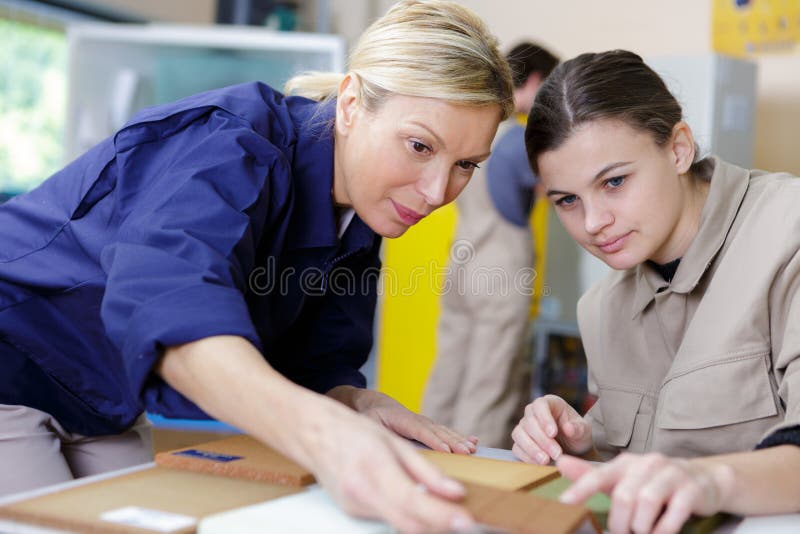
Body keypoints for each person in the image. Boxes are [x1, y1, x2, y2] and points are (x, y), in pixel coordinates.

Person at [0, 1, 514, 531]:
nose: (437, 192)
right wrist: (325, 435)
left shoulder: (362, 218)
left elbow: (314, 365)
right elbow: (169, 304)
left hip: (97, 400)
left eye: (465, 165)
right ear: (351, 103)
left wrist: (356, 404)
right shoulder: (231, 144)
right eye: (419, 146)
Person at [513, 49, 800, 533]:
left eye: (614, 181)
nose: (593, 222)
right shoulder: (601, 309)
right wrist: (581, 444)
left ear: (679, 149)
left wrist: (708, 480)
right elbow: (633, 465)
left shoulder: (788, 230)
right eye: (567, 200)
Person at [423, 42, 559, 448]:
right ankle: (474, 470)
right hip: (500, 267)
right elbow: (556, 189)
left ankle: (425, 453)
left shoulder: (473, 130)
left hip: (461, 260)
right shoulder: (520, 140)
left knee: (448, 370)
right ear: (535, 80)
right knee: (490, 382)